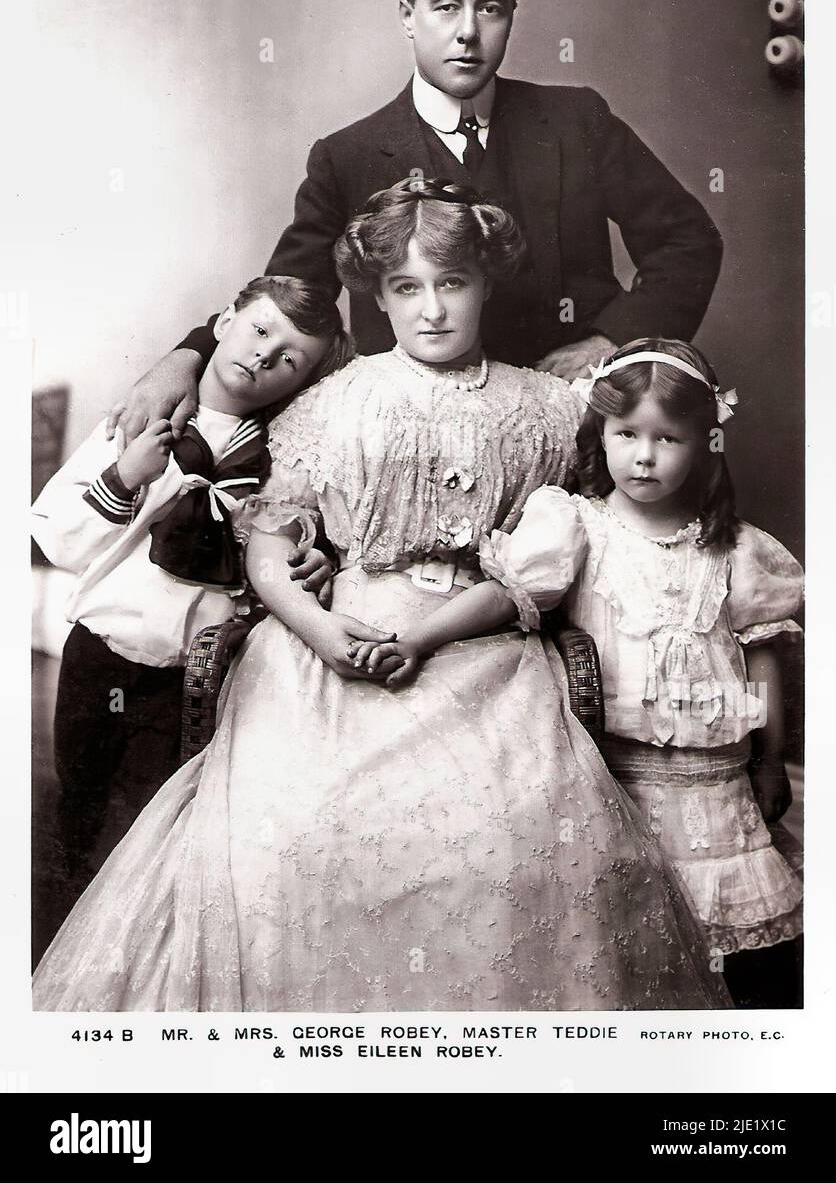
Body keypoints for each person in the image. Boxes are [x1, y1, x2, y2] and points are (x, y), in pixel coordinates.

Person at [33, 181, 730, 1012]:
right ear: (378, 295)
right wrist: (320, 630)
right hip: (326, 642)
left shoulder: (550, 407)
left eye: (452, 283)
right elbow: (269, 540)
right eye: (405, 288)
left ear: (485, 283)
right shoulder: (332, 400)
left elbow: (618, 501)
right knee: (291, 834)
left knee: (514, 837)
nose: (431, 309)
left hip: (486, 648)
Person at [108, 0, 723, 443]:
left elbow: (687, 243)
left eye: (491, 7)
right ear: (408, 15)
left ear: (511, 15)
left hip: (571, 425)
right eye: (446, 5)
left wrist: (609, 343)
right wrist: (187, 354)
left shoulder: (574, 121)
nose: (468, 32)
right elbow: (293, 297)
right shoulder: (345, 157)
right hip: (412, 437)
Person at [479, 337, 803, 1008]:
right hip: (611, 781)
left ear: (707, 442)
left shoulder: (739, 550)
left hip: (714, 783)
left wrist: (770, 759)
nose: (645, 456)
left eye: (669, 439)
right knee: (623, 945)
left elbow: (762, 659)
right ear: (601, 435)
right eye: (627, 434)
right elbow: (513, 616)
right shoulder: (575, 527)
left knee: (733, 951)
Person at [31, 275, 354, 899]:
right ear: (226, 318)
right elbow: (57, 540)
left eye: (290, 359)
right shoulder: (143, 418)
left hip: (196, 667)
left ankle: (130, 935)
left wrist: (314, 562)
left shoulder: (281, 460)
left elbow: (296, 543)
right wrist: (124, 477)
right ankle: (59, 930)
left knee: (153, 815)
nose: (263, 356)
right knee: (79, 796)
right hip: (104, 648)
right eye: (260, 330)